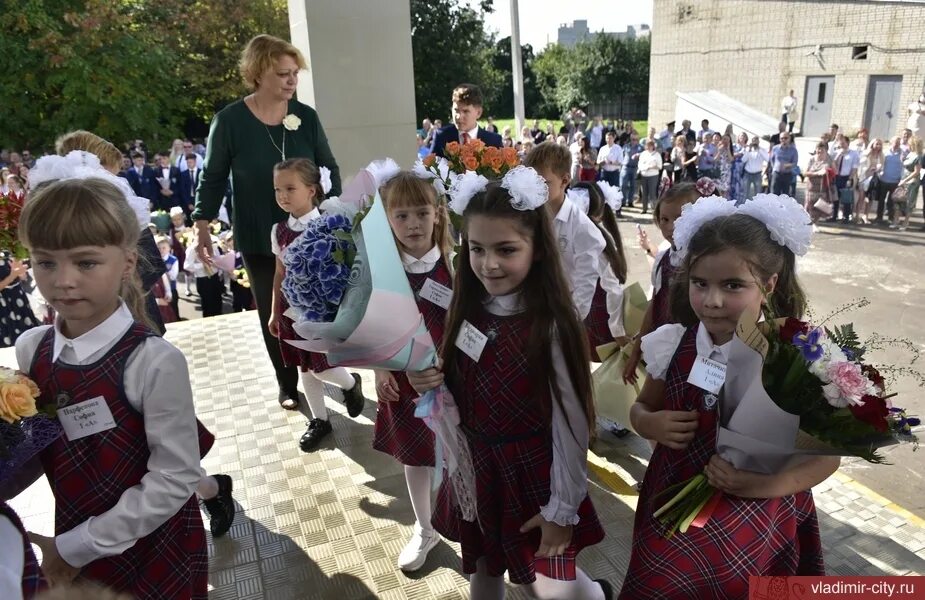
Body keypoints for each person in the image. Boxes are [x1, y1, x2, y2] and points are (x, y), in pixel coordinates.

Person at [408, 169, 611, 600]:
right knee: (483, 567)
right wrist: (426, 380)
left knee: (552, 581)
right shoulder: (469, 306)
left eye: (506, 249)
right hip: (479, 467)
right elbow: (462, 384)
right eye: (477, 249)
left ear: (537, 250)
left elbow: (572, 425)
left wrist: (561, 509)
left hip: (532, 473)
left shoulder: (551, 325)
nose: (489, 264)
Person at [619, 198, 835, 599]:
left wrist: (762, 485)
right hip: (673, 494)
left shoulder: (792, 358)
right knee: (658, 583)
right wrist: (650, 422)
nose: (712, 301)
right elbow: (641, 407)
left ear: (768, 285)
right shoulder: (673, 343)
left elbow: (826, 458)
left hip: (756, 511)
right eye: (700, 283)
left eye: (733, 285)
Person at [15, 178, 213, 597]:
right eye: (46, 262)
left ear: (127, 262)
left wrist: (75, 547)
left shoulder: (152, 361)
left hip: (157, 549)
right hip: (73, 537)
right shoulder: (32, 348)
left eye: (86, 263)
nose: (63, 280)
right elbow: (39, 447)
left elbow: (175, 477)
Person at [192, 34, 342, 412]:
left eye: (295, 73)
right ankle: (287, 383)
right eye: (283, 73)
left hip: (310, 236)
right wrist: (202, 223)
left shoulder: (305, 117)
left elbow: (328, 168)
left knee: (318, 306)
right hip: (260, 236)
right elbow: (212, 177)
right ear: (258, 73)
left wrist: (331, 215)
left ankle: (332, 375)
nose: (292, 81)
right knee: (273, 312)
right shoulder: (229, 121)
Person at [372, 171, 453, 572]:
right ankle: (425, 527)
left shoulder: (458, 264)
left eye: (421, 212)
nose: (413, 224)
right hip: (404, 385)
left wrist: (447, 367)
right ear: (387, 219)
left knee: (459, 453)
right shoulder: (381, 271)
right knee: (416, 457)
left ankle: (466, 519)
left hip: (455, 383)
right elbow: (374, 326)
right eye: (401, 216)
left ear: (437, 213)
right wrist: (380, 370)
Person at [269, 158, 367, 451]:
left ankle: (350, 384)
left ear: (312, 190)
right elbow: (279, 272)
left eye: (290, 188)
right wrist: (274, 311)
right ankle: (319, 420)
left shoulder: (330, 223)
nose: (282, 196)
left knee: (320, 367)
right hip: (291, 311)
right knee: (304, 367)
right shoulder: (278, 230)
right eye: (277, 190)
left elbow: (349, 268)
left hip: (321, 312)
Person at [44, 131, 167, 336]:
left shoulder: (56, 197)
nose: (116, 179)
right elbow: (148, 262)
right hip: (127, 302)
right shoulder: (106, 193)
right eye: (113, 173)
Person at [623, 183, 700, 384]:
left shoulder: (702, 261)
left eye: (679, 218)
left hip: (693, 350)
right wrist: (636, 351)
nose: (671, 226)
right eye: (664, 219)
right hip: (663, 347)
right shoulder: (663, 259)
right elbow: (655, 304)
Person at [525, 142, 605, 321]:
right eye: (530, 182)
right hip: (530, 302)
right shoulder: (527, 215)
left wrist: (568, 323)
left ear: (564, 180)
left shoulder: (582, 227)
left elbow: (585, 283)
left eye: (543, 183)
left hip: (561, 307)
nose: (535, 189)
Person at [569, 182, 629, 360]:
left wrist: (617, 330)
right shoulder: (578, 232)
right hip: (588, 309)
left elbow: (613, 288)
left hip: (594, 312)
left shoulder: (592, 237)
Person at [430, 84, 503, 158]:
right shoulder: (441, 136)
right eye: (456, 110)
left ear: (478, 113)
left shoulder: (493, 141)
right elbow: (430, 164)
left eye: (465, 111)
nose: (458, 116)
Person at [184, 228, 224, 318]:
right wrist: (202, 265)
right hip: (203, 279)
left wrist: (220, 270)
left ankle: (220, 319)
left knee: (218, 301)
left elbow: (218, 258)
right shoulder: (192, 248)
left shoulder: (213, 244)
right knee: (207, 305)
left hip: (215, 276)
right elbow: (187, 266)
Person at [0, 255, 38, 348]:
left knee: (29, 336)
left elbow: (22, 277)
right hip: (5, 304)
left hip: (19, 298)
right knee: (13, 339)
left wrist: (21, 274)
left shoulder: (6, 253)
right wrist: (12, 276)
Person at [892, 136, 922, 231]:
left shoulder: (918, 156)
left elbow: (916, 172)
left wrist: (905, 180)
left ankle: (905, 222)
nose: (908, 145)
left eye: (909, 143)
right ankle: (896, 220)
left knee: (909, 202)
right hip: (903, 179)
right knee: (898, 199)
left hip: (911, 182)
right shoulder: (910, 154)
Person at [830, 135, 860, 222]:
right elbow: (832, 164)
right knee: (835, 197)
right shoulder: (837, 152)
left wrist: (850, 179)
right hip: (837, 176)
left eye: (843, 142)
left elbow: (854, 167)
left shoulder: (853, 154)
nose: (841, 144)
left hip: (847, 177)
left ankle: (846, 216)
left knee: (846, 197)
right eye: (840, 143)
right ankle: (834, 215)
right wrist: (838, 155)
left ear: (847, 143)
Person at [875, 136, 904, 224]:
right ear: (891, 142)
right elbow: (880, 163)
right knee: (881, 200)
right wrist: (879, 171)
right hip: (884, 179)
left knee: (892, 201)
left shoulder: (902, 154)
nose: (897, 144)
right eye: (895, 142)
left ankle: (890, 218)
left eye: (898, 143)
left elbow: (904, 167)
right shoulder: (885, 152)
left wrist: (902, 179)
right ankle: (879, 217)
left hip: (895, 181)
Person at [856, 138, 884, 224]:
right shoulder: (866, 153)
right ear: (872, 144)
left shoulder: (881, 155)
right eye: (877, 144)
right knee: (861, 198)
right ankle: (857, 216)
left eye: (880, 144)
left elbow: (882, 167)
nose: (878, 146)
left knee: (870, 198)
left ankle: (865, 216)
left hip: (874, 179)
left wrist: (878, 169)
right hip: (864, 178)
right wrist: (867, 156)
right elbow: (860, 164)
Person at [804, 142, 834, 223]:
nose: (819, 152)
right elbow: (805, 173)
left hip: (822, 189)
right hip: (811, 189)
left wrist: (828, 171)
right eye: (818, 150)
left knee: (819, 209)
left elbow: (835, 172)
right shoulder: (811, 159)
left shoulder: (829, 160)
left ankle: (815, 223)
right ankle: (808, 224)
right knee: (809, 208)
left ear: (826, 151)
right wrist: (817, 173)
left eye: (822, 150)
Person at [637, 139, 663, 213]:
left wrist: (653, 166)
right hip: (644, 175)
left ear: (653, 146)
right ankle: (644, 209)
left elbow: (660, 166)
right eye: (647, 145)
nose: (649, 147)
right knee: (644, 193)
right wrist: (647, 167)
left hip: (653, 176)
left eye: (650, 145)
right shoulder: (643, 154)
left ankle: (654, 209)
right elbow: (640, 165)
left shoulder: (657, 155)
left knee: (652, 193)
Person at [741, 136, 768, 201]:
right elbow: (743, 160)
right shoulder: (748, 149)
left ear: (759, 142)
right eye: (753, 141)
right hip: (747, 173)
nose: (755, 142)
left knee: (758, 194)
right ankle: (744, 206)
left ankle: (757, 206)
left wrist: (759, 149)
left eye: (756, 141)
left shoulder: (762, 150)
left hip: (757, 174)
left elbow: (767, 159)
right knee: (745, 193)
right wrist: (748, 150)